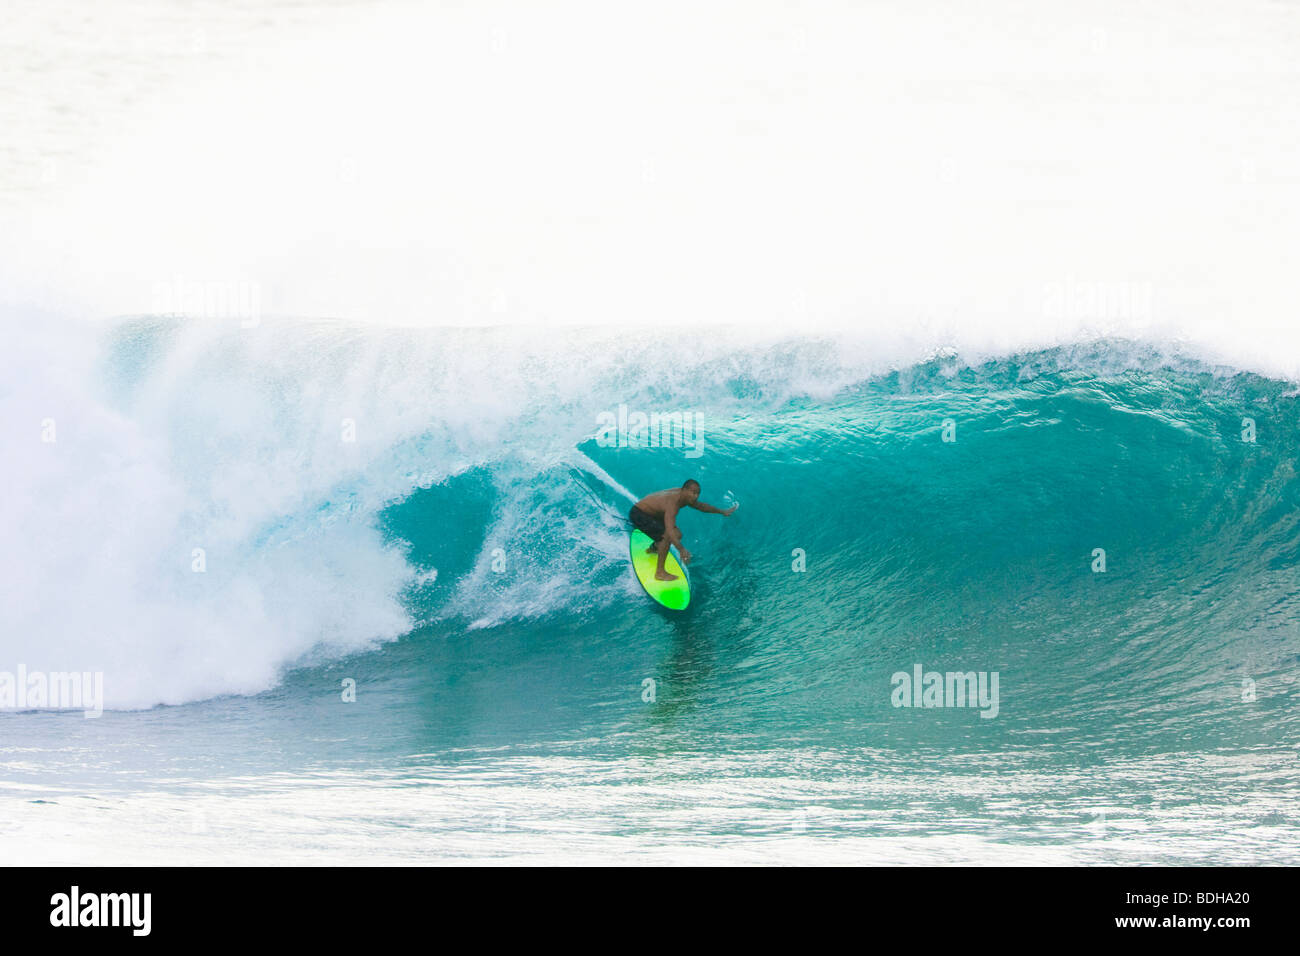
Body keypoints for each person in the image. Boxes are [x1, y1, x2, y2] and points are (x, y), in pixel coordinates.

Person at [628, 480, 736, 581]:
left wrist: (722, 511)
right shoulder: (673, 502)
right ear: (684, 490)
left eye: (697, 493)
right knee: (667, 536)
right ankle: (660, 573)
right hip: (639, 514)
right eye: (693, 493)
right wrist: (682, 550)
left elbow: (701, 506)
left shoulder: (685, 496)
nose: (696, 496)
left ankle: (654, 548)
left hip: (654, 514)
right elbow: (669, 531)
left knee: (677, 535)